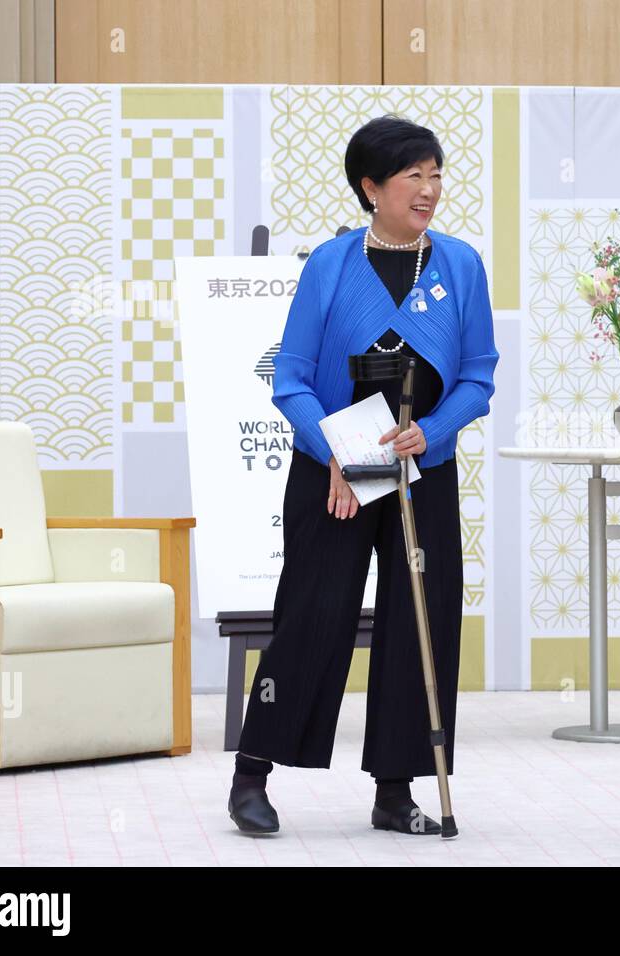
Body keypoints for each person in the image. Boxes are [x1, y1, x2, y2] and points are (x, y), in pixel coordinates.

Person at [227, 115, 499, 836]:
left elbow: (478, 377)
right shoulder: (332, 263)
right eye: (413, 175)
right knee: (313, 616)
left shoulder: (461, 265)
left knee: (422, 622)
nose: (429, 188)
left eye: (436, 173)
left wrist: (430, 431)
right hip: (334, 477)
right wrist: (339, 451)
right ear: (370, 186)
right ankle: (253, 770)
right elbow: (288, 378)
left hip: (422, 471)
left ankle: (395, 788)